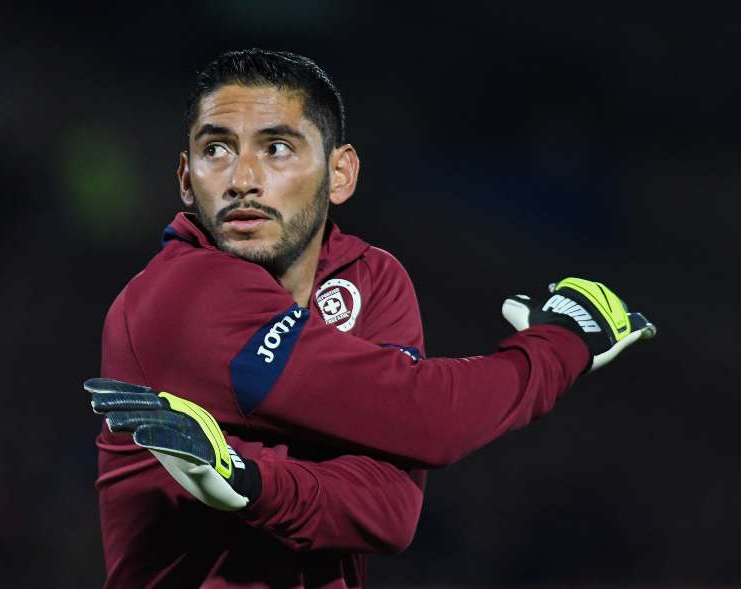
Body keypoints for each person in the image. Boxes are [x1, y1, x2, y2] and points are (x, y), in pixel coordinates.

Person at [89, 49, 654, 588]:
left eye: (277, 148)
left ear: (341, 173)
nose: (242, 179)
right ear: (186, 180)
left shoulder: (372, 279)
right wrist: (562, 343)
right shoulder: (178, 297)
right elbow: (432, 419)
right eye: (216, 150)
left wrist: (254, 483)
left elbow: (391, 510)